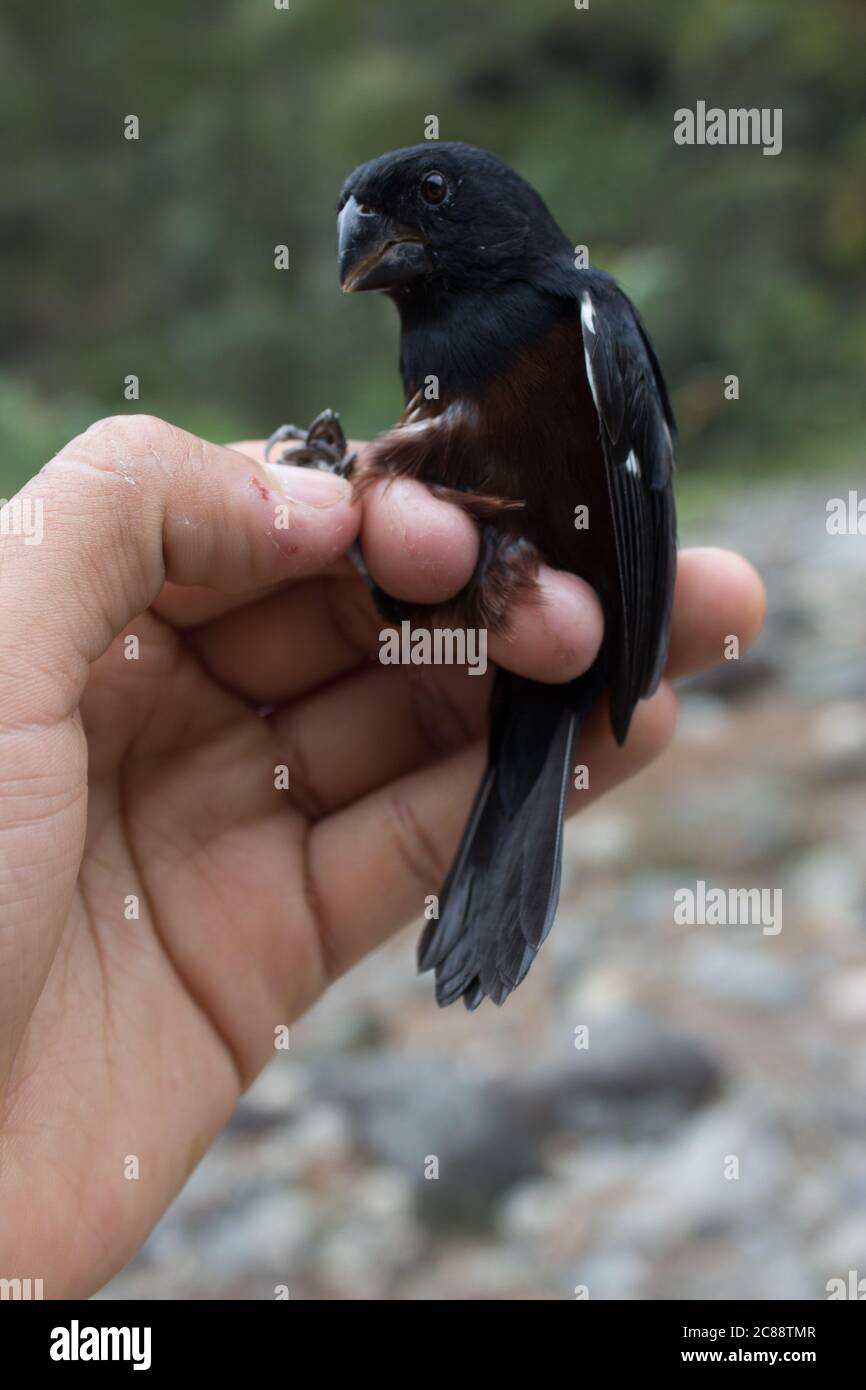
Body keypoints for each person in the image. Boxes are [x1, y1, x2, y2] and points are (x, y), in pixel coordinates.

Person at [0, 414, 765, 1296]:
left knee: (452, 565)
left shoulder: (578, 318)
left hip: (536, 631)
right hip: (473, 627)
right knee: (436, 557)